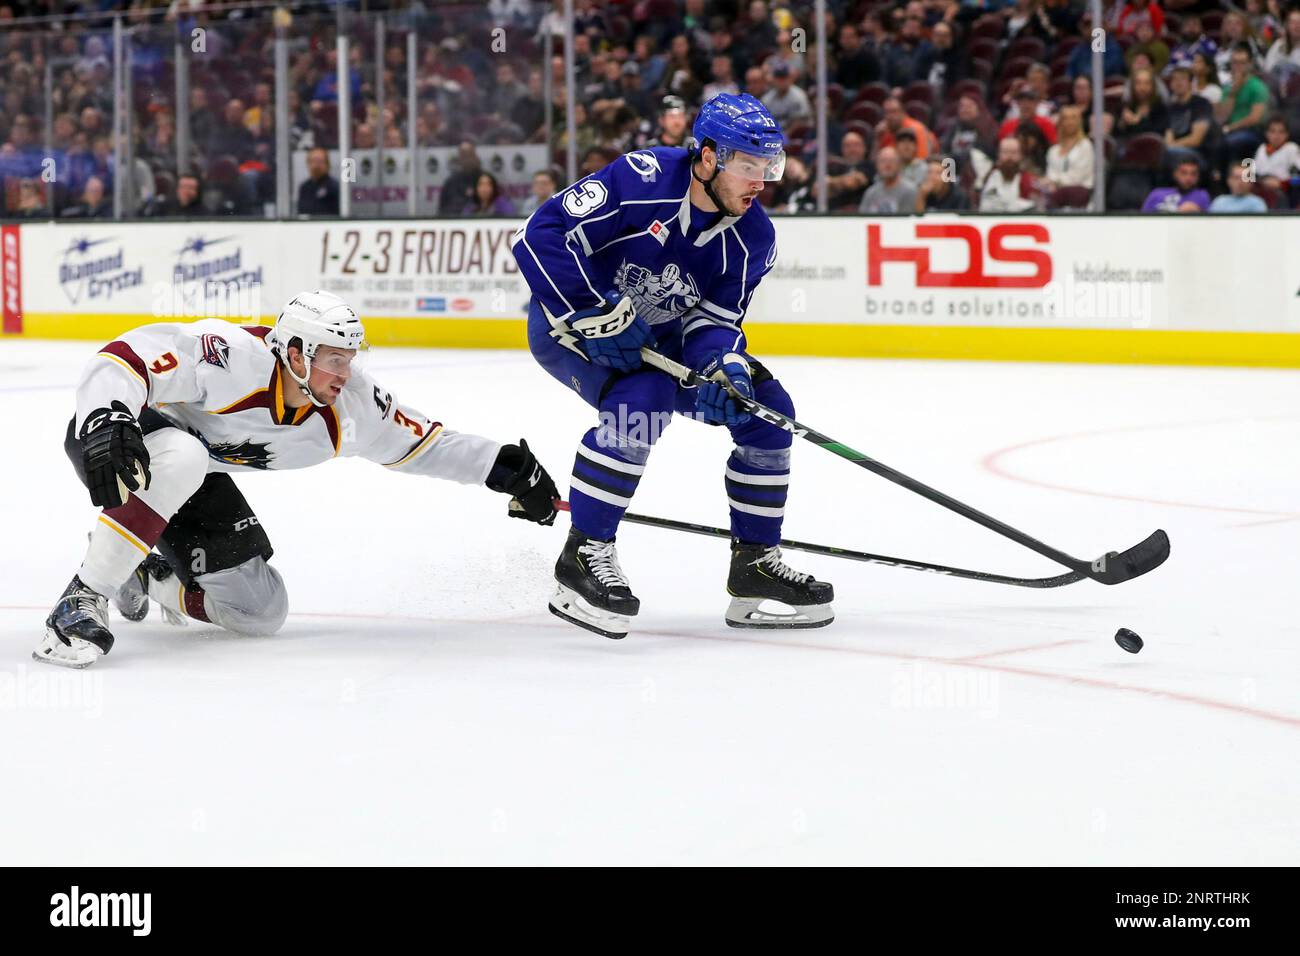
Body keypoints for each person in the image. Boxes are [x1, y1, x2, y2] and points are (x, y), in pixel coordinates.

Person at [36, 291, 560, 669]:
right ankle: (82, 598)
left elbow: (425, 443)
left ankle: (143, 573)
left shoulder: (350, 406)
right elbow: (125, 358)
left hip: (189, 475)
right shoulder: (226, 356)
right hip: (120, 443)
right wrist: (107, 417)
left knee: (258, 611)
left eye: (350, 360)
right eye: (334, 359)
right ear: (294, 354)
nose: (345, 373)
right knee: (185, 457)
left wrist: (508, 471)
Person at [511, 93, 834, 639]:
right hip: (569, 328)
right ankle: (583, 555)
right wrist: (593, 311)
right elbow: (537, 238)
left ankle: (754, 566)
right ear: (707, 158)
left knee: (766, 410)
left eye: (768, 167)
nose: (761, 182)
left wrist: (722, 368)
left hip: (661, 339)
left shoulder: (755, 239)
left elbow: (713, 322)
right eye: (748, 166)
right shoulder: (641, 180)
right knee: (644, 402)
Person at [978, 138, 1038, 212]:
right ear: (999, 155)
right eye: (1005, 152)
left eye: (1014, 152)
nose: (1009, 157)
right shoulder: (988, 178)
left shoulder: (1028, 181)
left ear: (1021, 155)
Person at [859, 146, 917, 213]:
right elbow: (862, 218)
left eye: (892, 161)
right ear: (877, 165)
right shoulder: (871, 193)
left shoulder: (910, 190)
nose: (887, 164)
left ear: (899, 164)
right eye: (883, 161)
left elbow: (907, 220)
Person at [1141, 157, 1211, 211]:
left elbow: (1210, 224)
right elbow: (1141, 220)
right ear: (1175, 174)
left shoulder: (1202, 196)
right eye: (1184, 173)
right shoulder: (1156, 194)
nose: (1188, 178)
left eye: (1193, 174)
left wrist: (1198, 213)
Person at [1252, 114, 1300, 192]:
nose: (1276, 136)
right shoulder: (1262, 148)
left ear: (1287, 134)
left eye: (1281, 132)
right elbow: (1254, 173)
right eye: (1272, 131)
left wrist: (1282, 183)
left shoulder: (1292, 148)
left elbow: (1298, 178)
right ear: (1266, 133)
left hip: (1282, 190)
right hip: (1261, 187)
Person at [296, 147, 340, 216]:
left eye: (320, 161)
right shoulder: (304, 187)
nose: (316, 165)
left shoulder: (334, 187)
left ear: (327, 164)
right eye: (313, 161)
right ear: (308, 163)